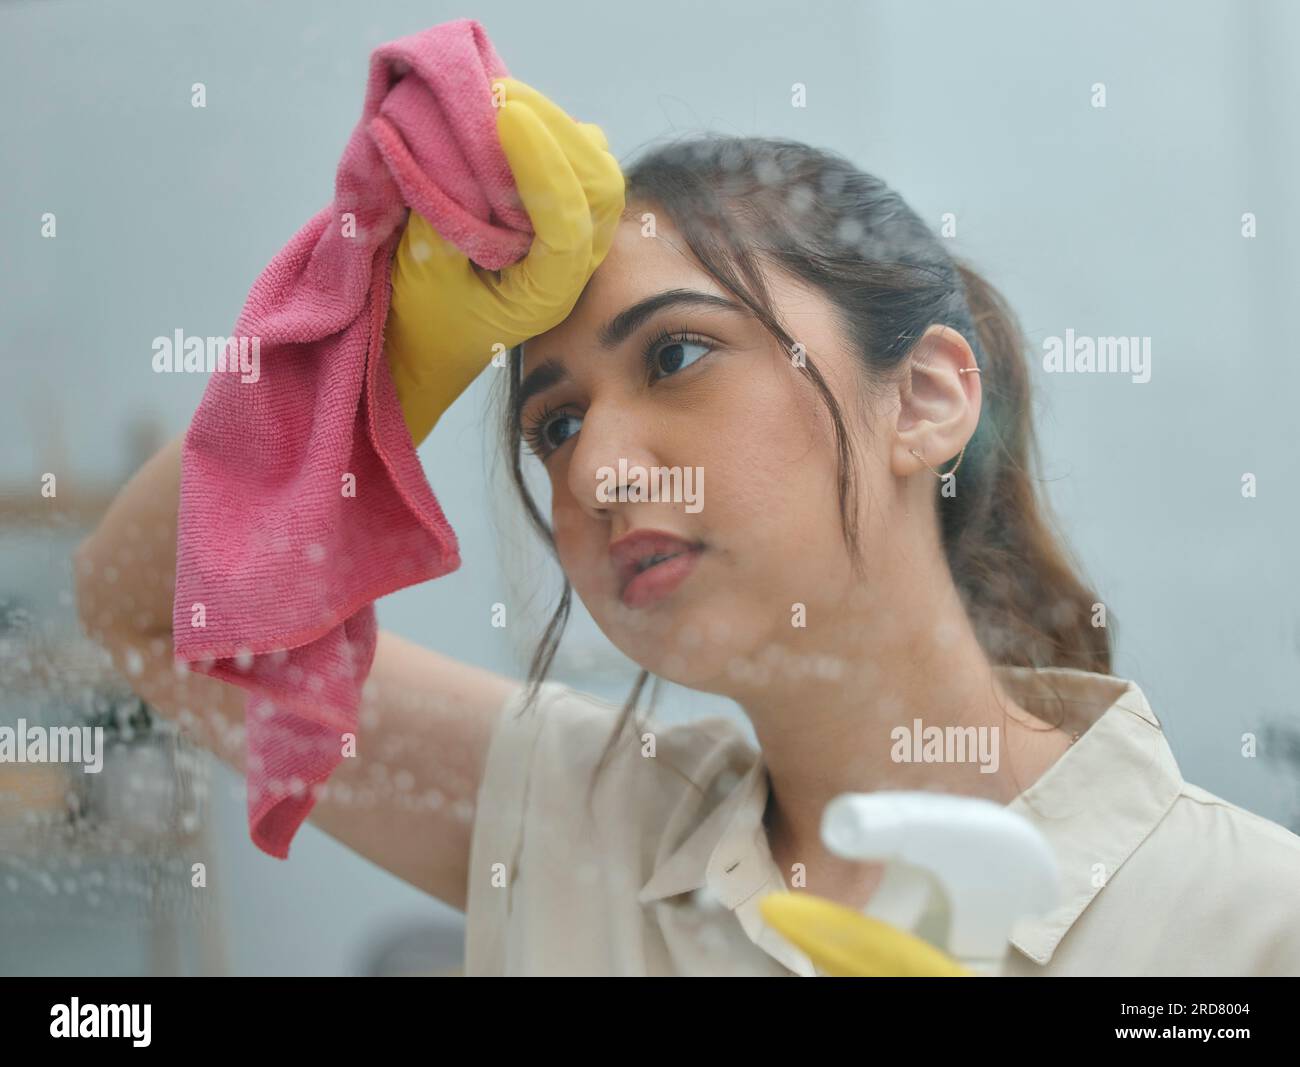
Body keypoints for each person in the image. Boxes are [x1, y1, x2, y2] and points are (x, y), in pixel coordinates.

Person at [75, 80, 1300, 977]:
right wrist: (380, 354)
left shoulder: (1247, 921)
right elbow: (166, 616)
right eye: (551, 426)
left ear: (923, 397)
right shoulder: (576, 819)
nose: (596, 471)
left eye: (677, 353)